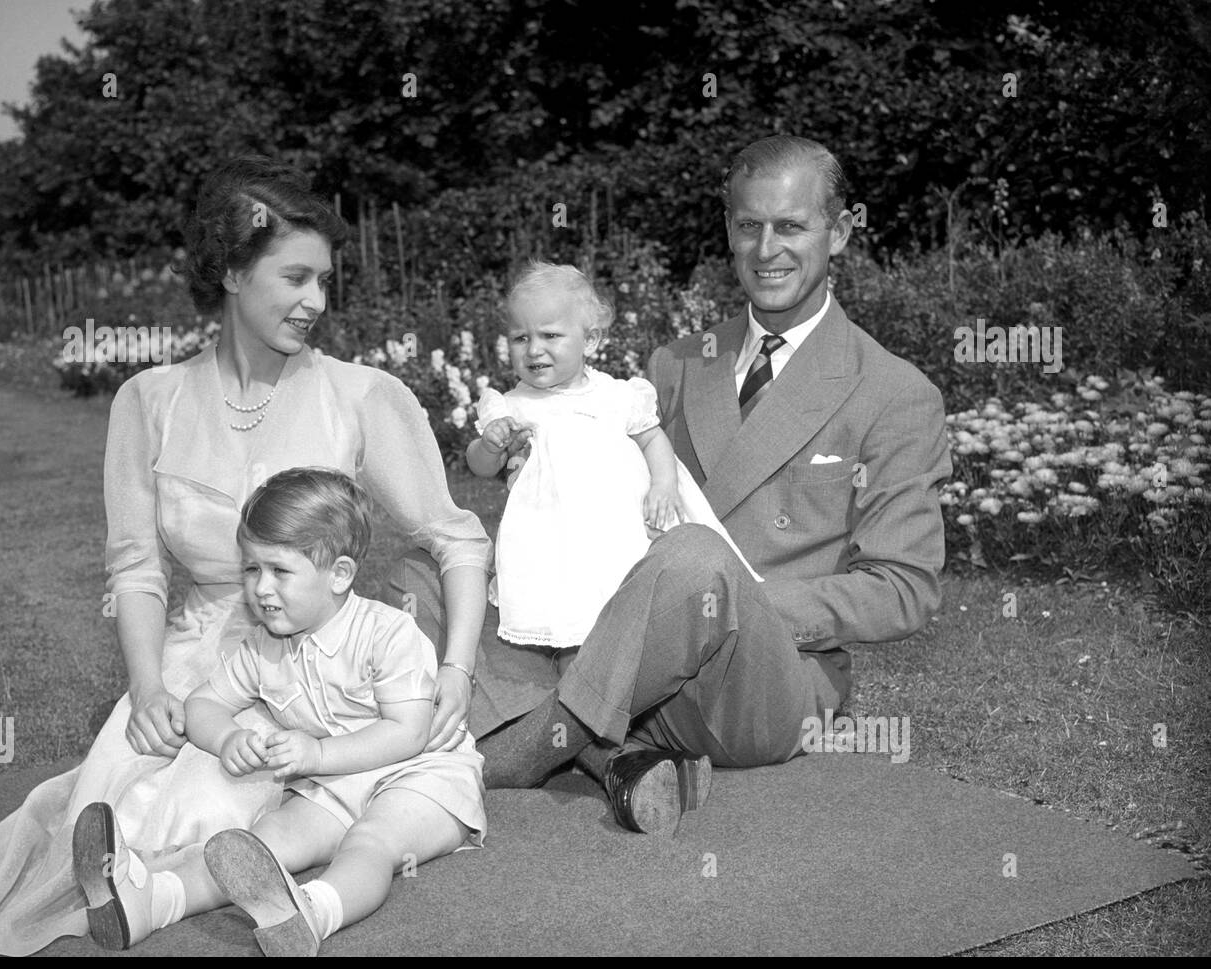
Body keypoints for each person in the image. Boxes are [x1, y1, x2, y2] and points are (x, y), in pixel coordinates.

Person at [0, 156, 490, 956]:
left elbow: (457, 538)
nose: (316, 301)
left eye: (325, 280)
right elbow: (137, 570)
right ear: (228, 271)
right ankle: (142, 878)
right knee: (117, 804)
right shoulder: (148, 402)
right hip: (199, 668)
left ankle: (225, 892)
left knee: (212, 814)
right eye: (294, 278)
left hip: (317, 673)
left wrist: (456, 673)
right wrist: (148, 689)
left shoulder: (361, 395)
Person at [387, 134, 951, 835]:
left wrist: (735, 604)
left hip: (755, 677)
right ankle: (615, 756)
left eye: (791, 226)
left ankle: (513, 753)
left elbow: (906, 588)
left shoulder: (895, 392)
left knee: (693, 559)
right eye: (749, 225)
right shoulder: (680, 364)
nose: (766, 248)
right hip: (611, 632)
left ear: (839, 232)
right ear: (728, 231)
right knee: (430, 572)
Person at [74, 467, 484, 957]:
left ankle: (313, 911)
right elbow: (204, 703)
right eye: (251, 569)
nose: (261, 589)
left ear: (339, 575)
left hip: (425, 778)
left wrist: (315, 753)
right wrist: (225, 738)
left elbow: (408, 732)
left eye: (279, 571)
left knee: (371, 841)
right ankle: (152, 902)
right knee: (264, 839)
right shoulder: (263, 646)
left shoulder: (386, 633)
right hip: (335, 784)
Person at [468, 261, 760, 651]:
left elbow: (652, 439)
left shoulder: (618, 396)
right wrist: (490, 445)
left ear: (589, 341)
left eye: (550, 335)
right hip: (553, 535)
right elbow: (482, 466)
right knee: (566, 609)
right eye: (521, 338)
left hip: (618, 525)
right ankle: (564, 655)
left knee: (626, 595)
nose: (534, 349)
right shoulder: (512, 405)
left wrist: (663, 484)